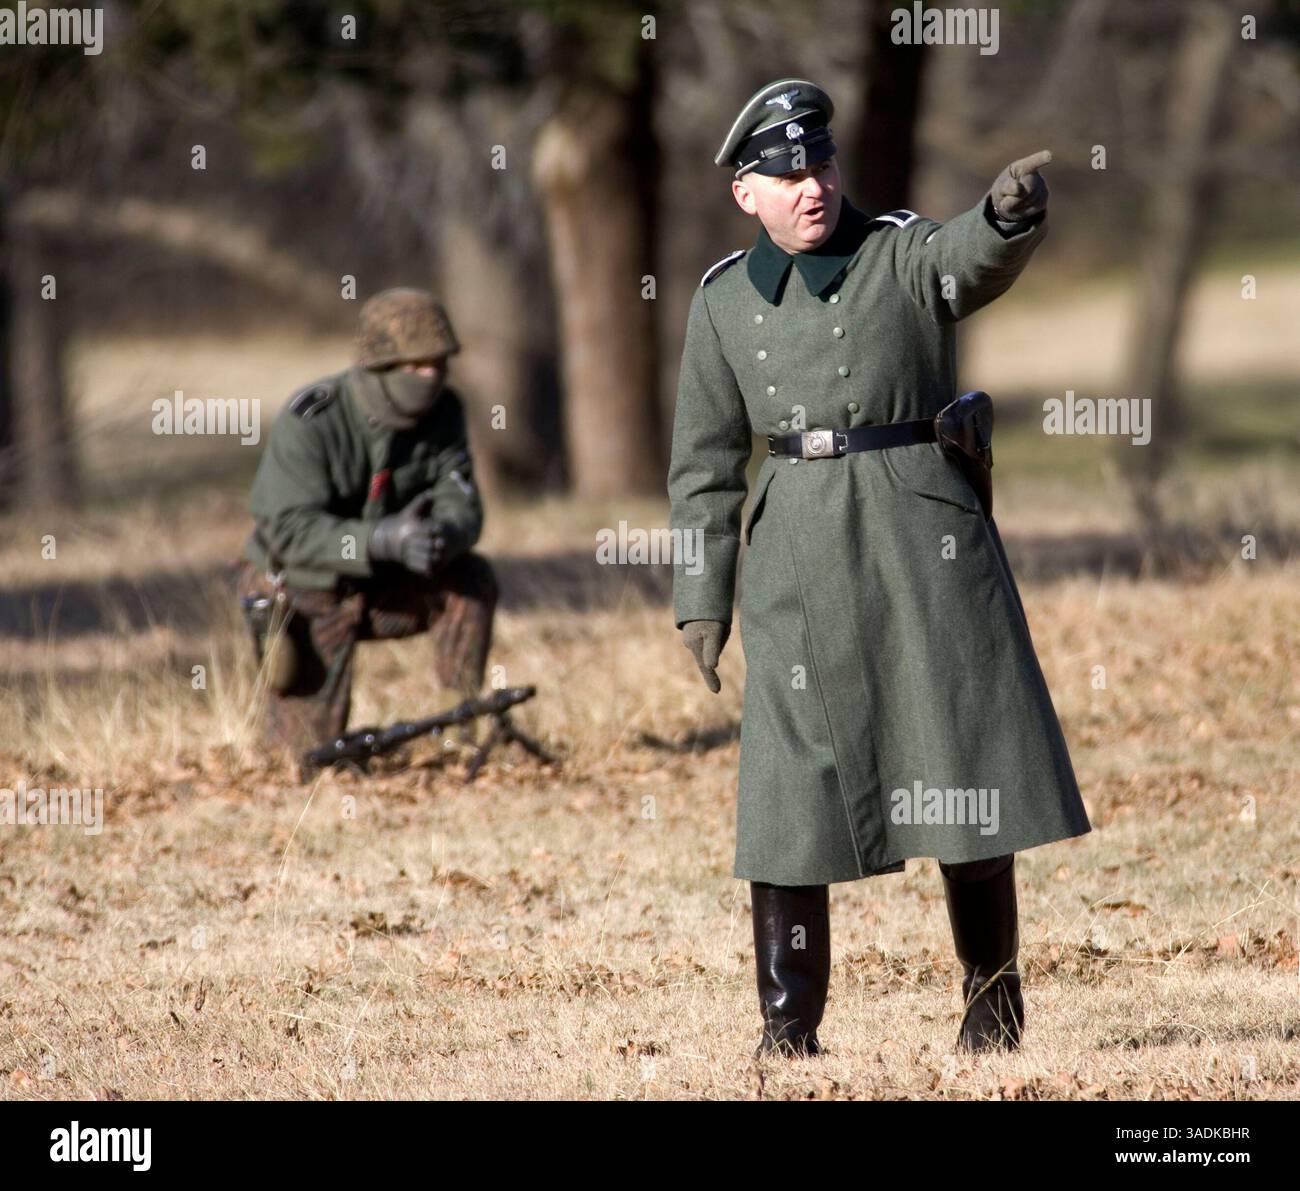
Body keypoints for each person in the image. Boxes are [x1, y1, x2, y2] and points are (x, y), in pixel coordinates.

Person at [667, 79, 1091, 1056]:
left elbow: (965, 263)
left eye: (819, 164)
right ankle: (788, 1032)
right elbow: (701, 467)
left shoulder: (900, 249)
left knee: (961, 768)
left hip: (921, 540)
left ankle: (993, 1010)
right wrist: (701, 598)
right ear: (746, 193)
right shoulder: (724, 301)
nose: (809, 187)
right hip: (793, 559)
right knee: (789, 798)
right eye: (784, 175)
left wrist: (1002, 216)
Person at [238, 287, 498, 760]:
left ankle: (456, 728)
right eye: (416, 366)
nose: (431, 376)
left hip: (390, 589)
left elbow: (463, 503)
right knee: (302, 758)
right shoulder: (313, 419)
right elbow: (287, 532)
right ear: (377, 368)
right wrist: (379, 540)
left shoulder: (446, 413)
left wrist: (439, 537)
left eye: (440, 364)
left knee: (471, 580)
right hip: (308, 588)